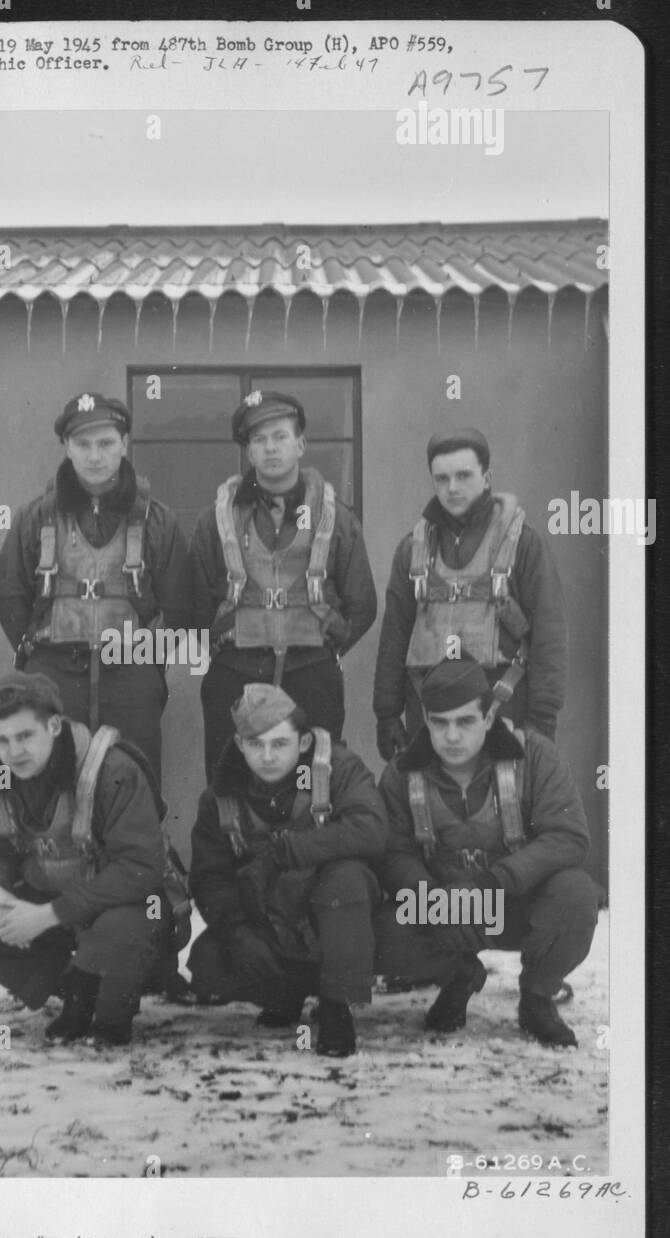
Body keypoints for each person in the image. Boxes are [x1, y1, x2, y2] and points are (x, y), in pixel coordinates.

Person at [0, 672, 171, 1046]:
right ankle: (74, 982)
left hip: (129, 903)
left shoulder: (112, 770)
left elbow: (140, 868)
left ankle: (109, 1005)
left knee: (122, 932)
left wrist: (48, 915)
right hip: (56, 902)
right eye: (2, 740)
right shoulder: (3, 777)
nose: (14, 752)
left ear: (54, 726)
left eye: (25, 736)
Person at [373, 658, 598, 1046]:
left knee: (576, 896)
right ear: (425, 718)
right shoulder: (399, 773)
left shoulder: (535, 757)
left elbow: (568, 836)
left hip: (515, 904)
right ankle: (459, 977)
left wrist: (496, 880)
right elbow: (392, 852)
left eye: (465, 721)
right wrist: (430, 896)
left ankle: (537, 997)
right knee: (380, 927)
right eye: (439, 722)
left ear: (490, 716)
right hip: (445, 909)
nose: (452, 736)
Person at [0, 392, 191, 788]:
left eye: (105, 443)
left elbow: (180, 605)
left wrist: (143, 662)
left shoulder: (156, 520)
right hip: (54, 670)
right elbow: (10, 594)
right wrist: (44, 656)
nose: (94, 456)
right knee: (52, 780)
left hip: (131, 671)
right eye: (82, 444)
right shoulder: (36, 517)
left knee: (136, 780)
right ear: (67, 447)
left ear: (124, 444)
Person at [187, 684, 387, 1058]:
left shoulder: (336, 769)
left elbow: (371, 828)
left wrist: (286, 850)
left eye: (279, 744)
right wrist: (237, 931)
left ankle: (336, 1004)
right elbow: (209, 875)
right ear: (239, 743)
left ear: (305, 741)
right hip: (274, 916)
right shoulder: (221, 794)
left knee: (345, 880)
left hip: (337, 912)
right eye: (254, 744)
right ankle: (290, 989)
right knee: (209, 966)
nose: (266, 756)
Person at [190, 390, 377, 781]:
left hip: (311, 671)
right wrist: (230, 646)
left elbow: (362, 603)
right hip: (235, 669)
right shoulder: (216, 520)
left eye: (279, 436)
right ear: (248, 452)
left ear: (301, 444)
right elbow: (196, 601)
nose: (270, 448)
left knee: (314, 779)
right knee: (230, 781)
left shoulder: (335, 519)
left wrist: (322, 647)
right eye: (258, 440)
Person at [373, 426, 568, 763]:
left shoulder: (522, 543)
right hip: (430, 714)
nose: (452, 488)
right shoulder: (412, 549)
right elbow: (395, 634)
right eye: (442, 478)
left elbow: (550, 636)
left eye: (463, 475)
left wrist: (542, 720)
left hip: (503, 705)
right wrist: (388, 714)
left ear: (487, 477)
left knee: (507, 805)